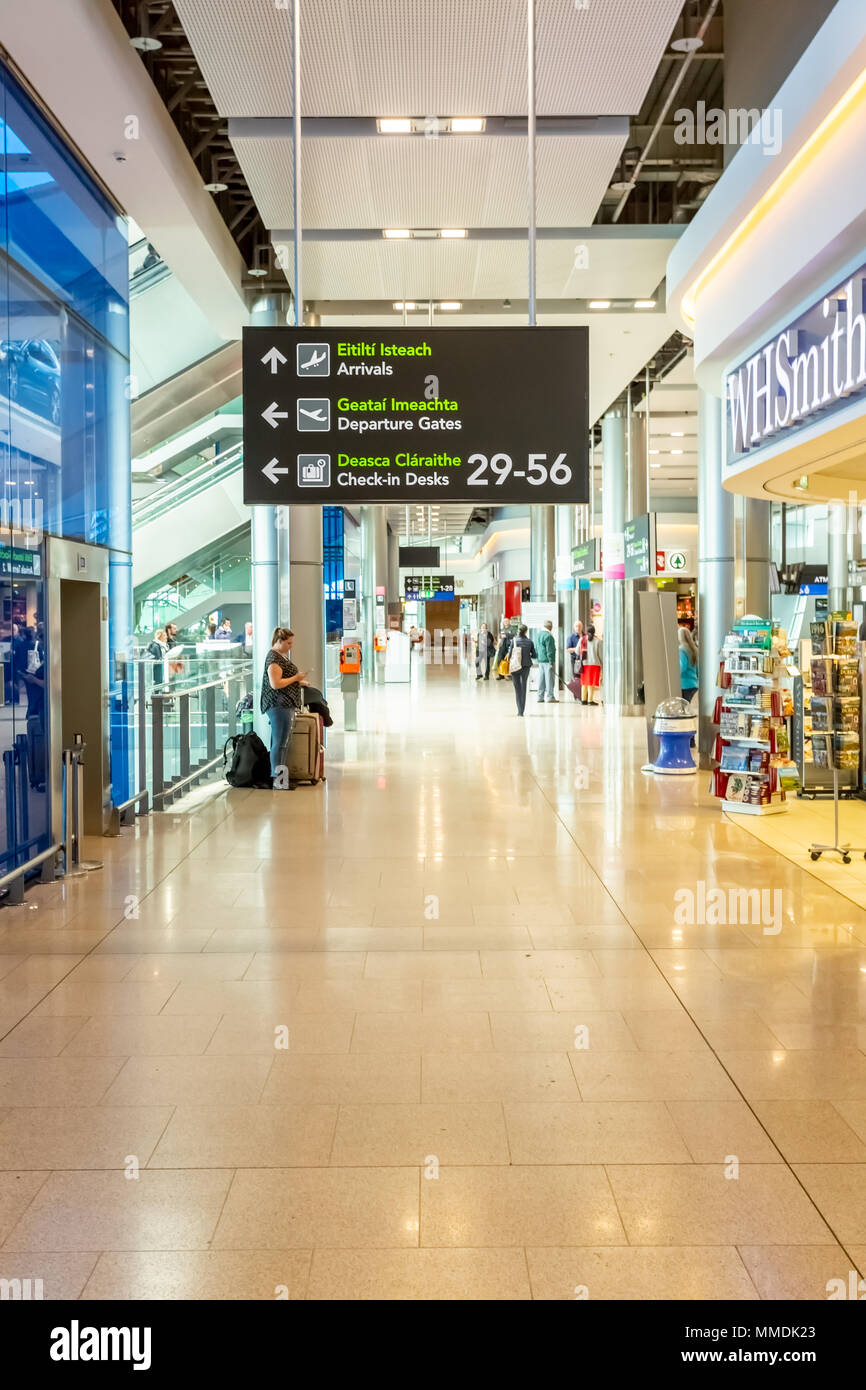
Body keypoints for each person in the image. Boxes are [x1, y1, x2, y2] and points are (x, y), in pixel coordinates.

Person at [261, 626, 309, 785]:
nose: (291, 646)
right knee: (280, 743)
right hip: (279, 705)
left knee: (281, 742)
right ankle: (278, 780)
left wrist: (298, 681)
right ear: (279, 641)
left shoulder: (279, 656)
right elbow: (275, 684)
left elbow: (283, 680)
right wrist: (296, 678)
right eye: (288, 643)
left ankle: (280, 778)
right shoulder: (274, 659)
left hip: (284, 704)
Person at [509, 623, 536, 716]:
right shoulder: (530, 641)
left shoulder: (514, 641)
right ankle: (522, 710)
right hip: (526, 666)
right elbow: (534, 655)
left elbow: (510, 655)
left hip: (515, 666)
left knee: (517, 688)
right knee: (523, 687)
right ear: (526, 631)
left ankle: (519, 711)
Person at [536, 619, 558, 704]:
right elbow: (550, 650)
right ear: (549, 626)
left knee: (541, 679)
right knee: (550, 680)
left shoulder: (539, 634)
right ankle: (550, 697)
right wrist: (551, 661)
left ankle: (540, 697)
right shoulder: (549, 636)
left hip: (541, 660)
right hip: (548, 661)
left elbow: (537, 648)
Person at [581, 625, 602, 704]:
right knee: (591, 683)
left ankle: (583, 700)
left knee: (584, 682)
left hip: (584, 664)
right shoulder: (598, 641)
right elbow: (600, 655)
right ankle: (590, 700)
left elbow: (576, 651)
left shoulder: (581, 640)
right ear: (594, 632)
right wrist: (602, 665)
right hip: (594, 665)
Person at [678, 623, 699, 704]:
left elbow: (682, 667)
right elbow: (698, 670)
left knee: (684, 710)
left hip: (684, 685)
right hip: (694, 685)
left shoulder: (681, 650)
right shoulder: (694, 650)